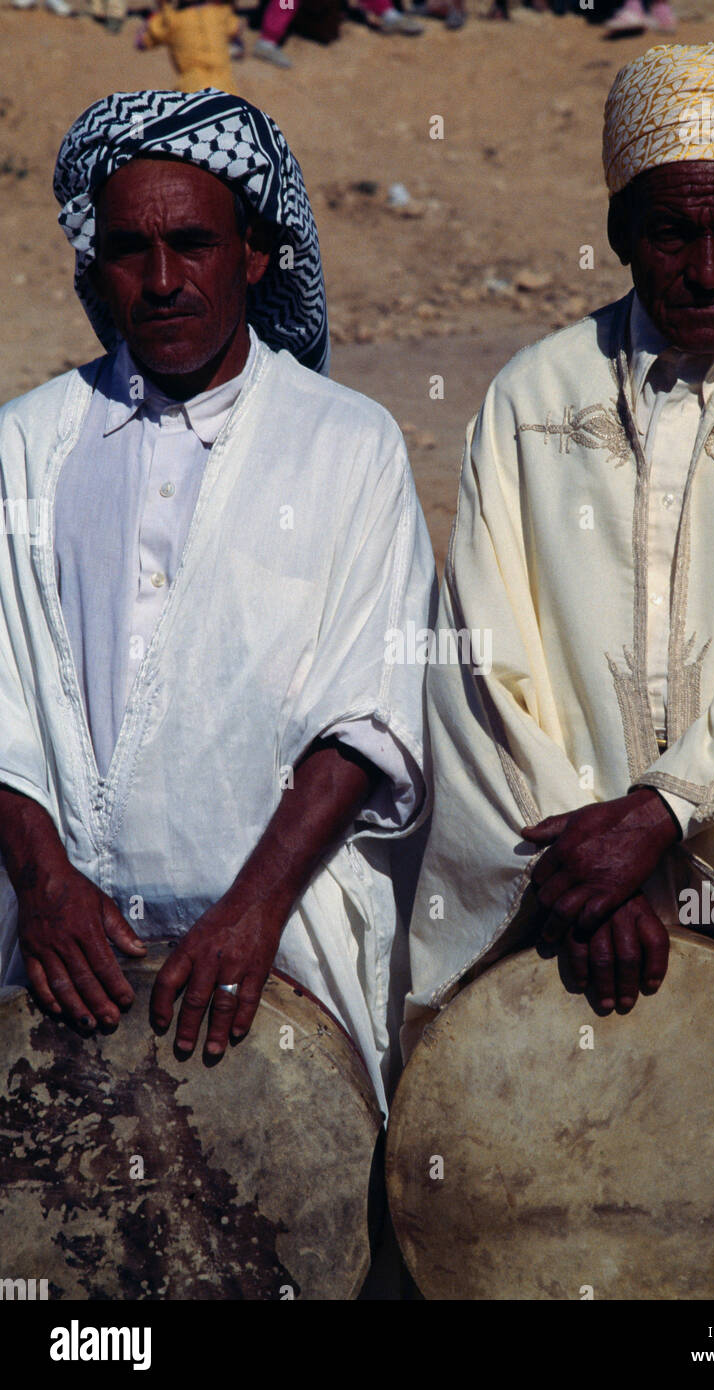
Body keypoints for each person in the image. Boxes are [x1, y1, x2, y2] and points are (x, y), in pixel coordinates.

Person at [405, 39, 714, 1275]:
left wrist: (666, 818)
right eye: (671, 232)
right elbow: (485, 648)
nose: (707, 269)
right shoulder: (529, 395)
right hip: (574, 901)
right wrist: (588, 854)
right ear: (619, 227)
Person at [0, 88, 435, 1118]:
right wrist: (47, 884)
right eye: (127, 251)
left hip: (280, 943)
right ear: (93, 265)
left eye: (193, 244)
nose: (160, 282)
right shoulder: (26, 442)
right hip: (62, 950)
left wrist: (253, 909)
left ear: (253, 254)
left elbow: (368, 708)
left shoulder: (348, 442)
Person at [136, 0, 244, 93]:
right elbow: (237, 28)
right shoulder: (220, 13)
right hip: (221, 85)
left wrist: (160, 9)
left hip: (195, 85)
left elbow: (142, 42)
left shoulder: (171, 19)